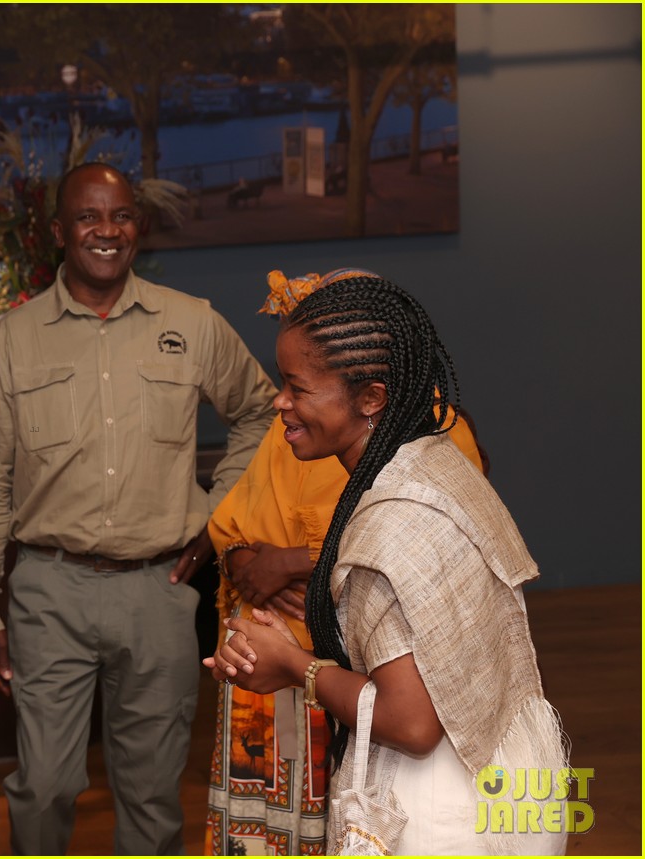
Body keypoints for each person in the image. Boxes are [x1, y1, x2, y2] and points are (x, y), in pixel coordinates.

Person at [0, 162, 278, 855]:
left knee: (153, 794)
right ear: (60, 231)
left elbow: (260, 412)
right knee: (44, 786)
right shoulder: (12, 341)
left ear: (139, 225)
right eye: (89, 217)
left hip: (159, 592)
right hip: (49, 591)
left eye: (121, 215)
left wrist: (215, 518)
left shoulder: (191, 323)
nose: (107, 230)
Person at [207, 275, 568, 855]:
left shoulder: (391, 521)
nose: (280, 402)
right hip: (503, 780)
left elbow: (412, 724)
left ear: (371, 398)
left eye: (298, 388)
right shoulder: (435, 462)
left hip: (438, 813)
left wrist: (293, 665)